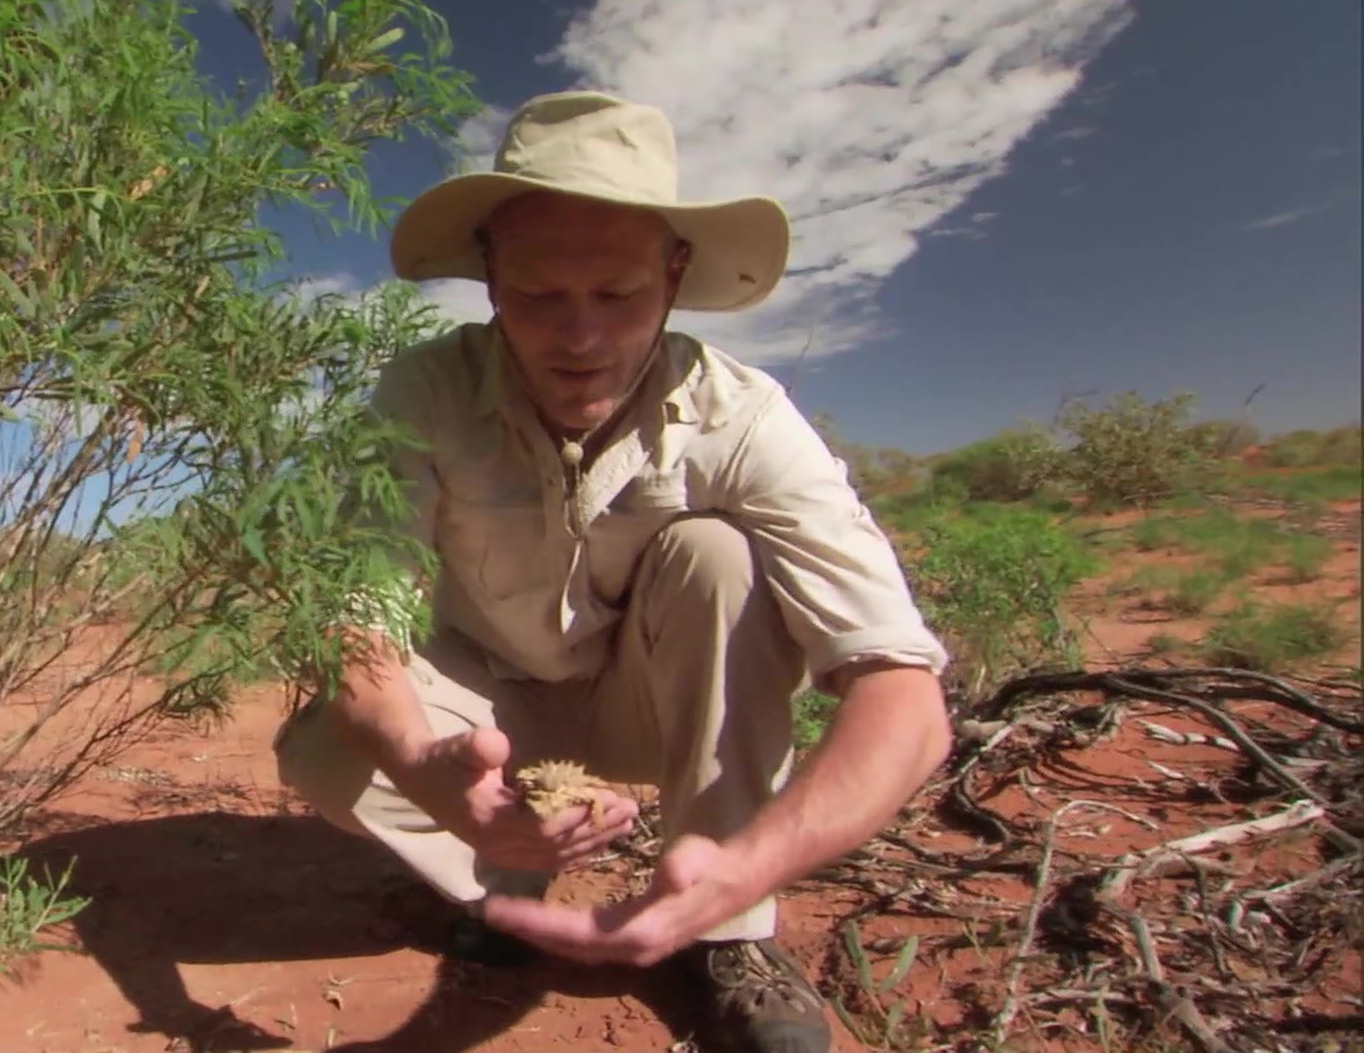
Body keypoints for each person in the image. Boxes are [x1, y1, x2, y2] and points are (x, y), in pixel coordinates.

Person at [272, 90, 955, 1053]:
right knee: (329, 747)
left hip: (646, 710)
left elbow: (903, 694)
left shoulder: (742, 414)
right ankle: (503, 872)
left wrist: (750, 865)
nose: (580, 339)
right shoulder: (425, 392)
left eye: (618, 295)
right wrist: (430, 773)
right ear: (490, 280)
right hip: (488, 713)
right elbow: (360, 624)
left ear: (674, 277)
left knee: (719, 556)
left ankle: (725, 930)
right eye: (539, 295)